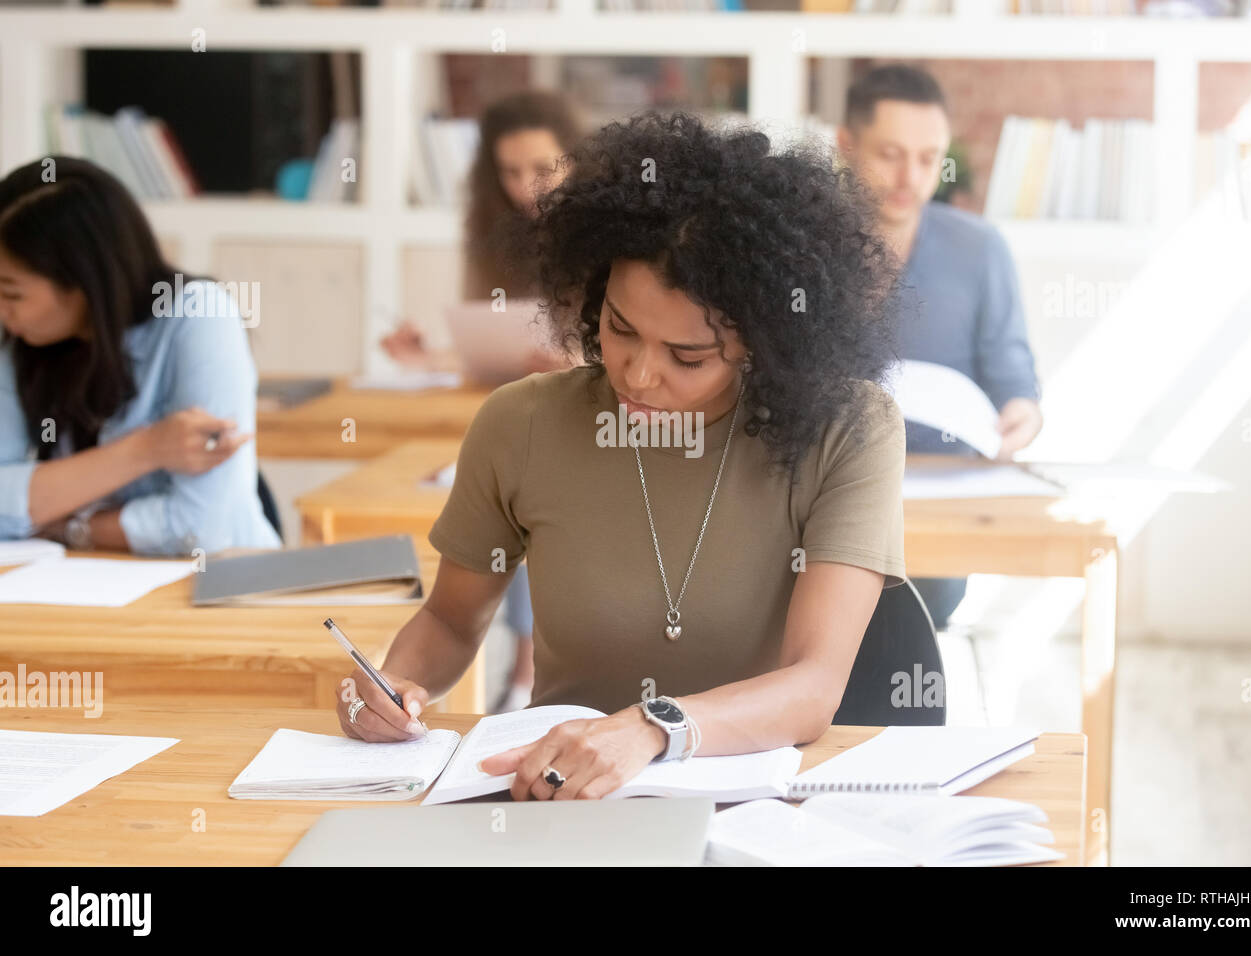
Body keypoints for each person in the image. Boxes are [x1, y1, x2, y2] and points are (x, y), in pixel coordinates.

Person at [335, 111, 907, 802]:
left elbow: (814, 684)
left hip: (749, 806)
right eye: (619, 328)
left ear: (766, 341)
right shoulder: (521, 423)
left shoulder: (849, 431)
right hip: (553, 804)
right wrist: (397, 686)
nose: (636, 375)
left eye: (687, 356)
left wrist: (653, 729)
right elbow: (451, 621)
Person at [382, 90, 585, 713]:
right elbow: (495, 347)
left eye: (543, 168)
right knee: (505, 494)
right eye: (510, 171)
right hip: (524, 412)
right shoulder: (493, 236)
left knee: (538, 498)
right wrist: (434, 357)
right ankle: (517, 673)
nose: (527, 186)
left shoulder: (607, 232)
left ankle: (527, 671)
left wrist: (577, 365)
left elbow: (635, 354)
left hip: (592, 415)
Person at [837, 63, 1044, 630]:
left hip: (943, 512)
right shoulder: (802, 248)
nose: (911, 177)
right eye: (890, 154)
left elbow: (1013, 380)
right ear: (846, 146)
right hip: (828, 500)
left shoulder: (979, 249)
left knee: (911, 623)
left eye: (929, 159)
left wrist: (1022, 414)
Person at [0, 157, 280, 555]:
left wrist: (68, 526)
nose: (1, 309)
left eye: (12, 294)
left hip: (219, 591)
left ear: (83, 280)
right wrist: (145, 449)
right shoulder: (23, 340)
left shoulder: (199, 314)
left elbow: (201, 529)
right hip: (86, 589)